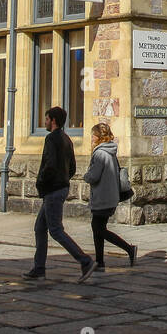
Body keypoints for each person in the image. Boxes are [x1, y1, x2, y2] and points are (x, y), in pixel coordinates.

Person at [24, 106, 95, 282]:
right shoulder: (66, 139)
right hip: (60, 187)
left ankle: (85, 261)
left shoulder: (51, 139)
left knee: (55, 230)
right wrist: (63, 179)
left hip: (53, 190)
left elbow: (49, 165)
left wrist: (41, 181)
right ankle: (39, 268)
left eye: (47, 119)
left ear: (53, 120)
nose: (45, 122)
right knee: (40, 228)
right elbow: (72, 167)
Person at [83, 123, 137, 272]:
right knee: (98, 228)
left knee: (98, 229)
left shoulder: (100, 153)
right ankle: (99, 262)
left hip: (103, 197)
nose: (91, 138)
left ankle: (129, 249)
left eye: (93, 135)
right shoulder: (110, 151)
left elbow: (94, 176)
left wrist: (85, 176)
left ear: (99, 137)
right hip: (109, 196)